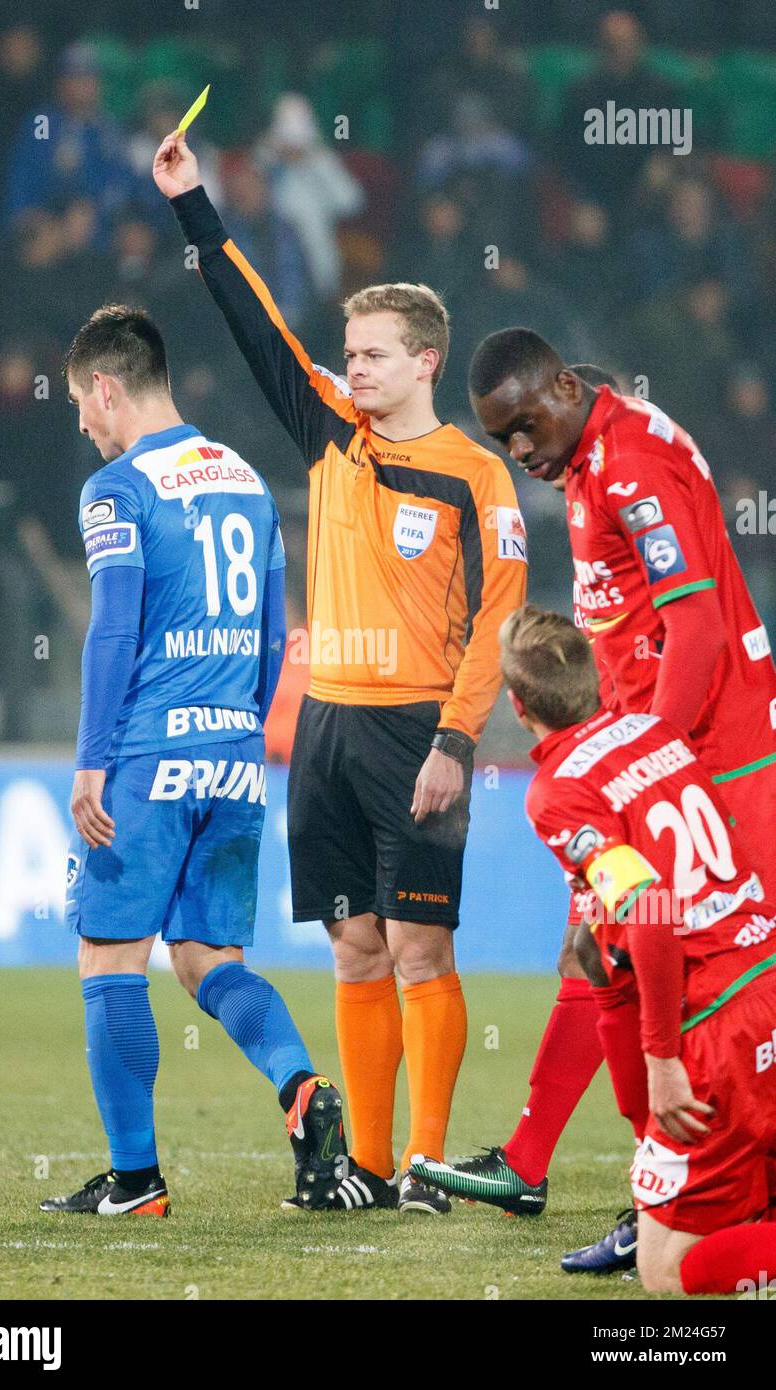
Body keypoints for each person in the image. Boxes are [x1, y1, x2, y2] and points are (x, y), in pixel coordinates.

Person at [152, 130, 528, 1214]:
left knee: (419, 941)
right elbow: (252, 320)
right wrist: (195, 207)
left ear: (422, 361)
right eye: (345, 352)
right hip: (322, 725)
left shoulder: (474, 476)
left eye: (367, 354)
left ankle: (427, 1165)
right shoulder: (330, 432)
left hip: (418, 729)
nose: (347, 367)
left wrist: (457, 741)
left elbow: (497, 619)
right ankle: (364, 1164)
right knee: (354, 945)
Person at [420, 329, 776, 1265]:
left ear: (567, 388)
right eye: (505, 441)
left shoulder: (628, 465)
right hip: (668, 755)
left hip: (713, 762)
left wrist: (640, 756)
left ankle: (700, 1191)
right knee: (601, 950)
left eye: (528, 427)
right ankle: (621, 1178)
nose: (522, 452)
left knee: (703, 963)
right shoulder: (591, 458)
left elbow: (694, 620)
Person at [40, 304, 348, 1217]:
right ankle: (300, 1090)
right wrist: (237, 737)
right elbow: (271, 640)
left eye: (79, 406)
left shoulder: (117, 491)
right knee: (208, 956)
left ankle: (135, 1180)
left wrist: (94, 762)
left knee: (109, 962)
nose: (83, 426)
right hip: (236, 755)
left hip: (148, 753)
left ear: (105, 386)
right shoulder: (249, 478)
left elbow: (115, 630)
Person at [418, 606, 776, 1296]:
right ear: (595, 681)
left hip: (719, 1022)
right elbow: (613, 924)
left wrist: (664, 1061)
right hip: (762, 969)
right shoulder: (655, 731)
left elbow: (648, 908)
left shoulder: (558, 794)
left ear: (518, 707)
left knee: (667, 1273)